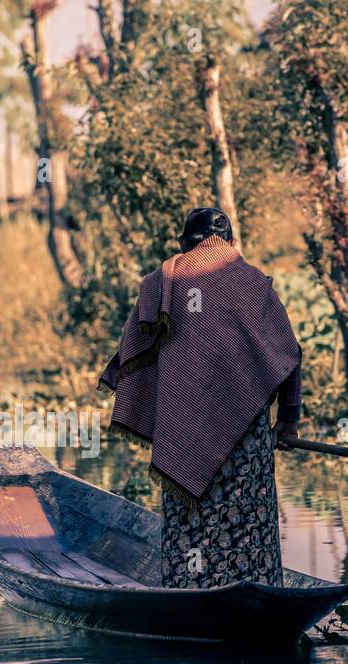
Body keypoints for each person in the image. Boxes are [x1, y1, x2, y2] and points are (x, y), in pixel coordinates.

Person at [99, 207, 302, 589]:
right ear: (230, 242)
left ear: (183, 242)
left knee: (192, 520)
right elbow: (290, 353)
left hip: (182, 429)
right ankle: (255, 584)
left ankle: (189, 587)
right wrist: (288, 421)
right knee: (248, 518)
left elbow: (134, 351)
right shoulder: (254, 284)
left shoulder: (162, 282)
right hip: (246, 435)